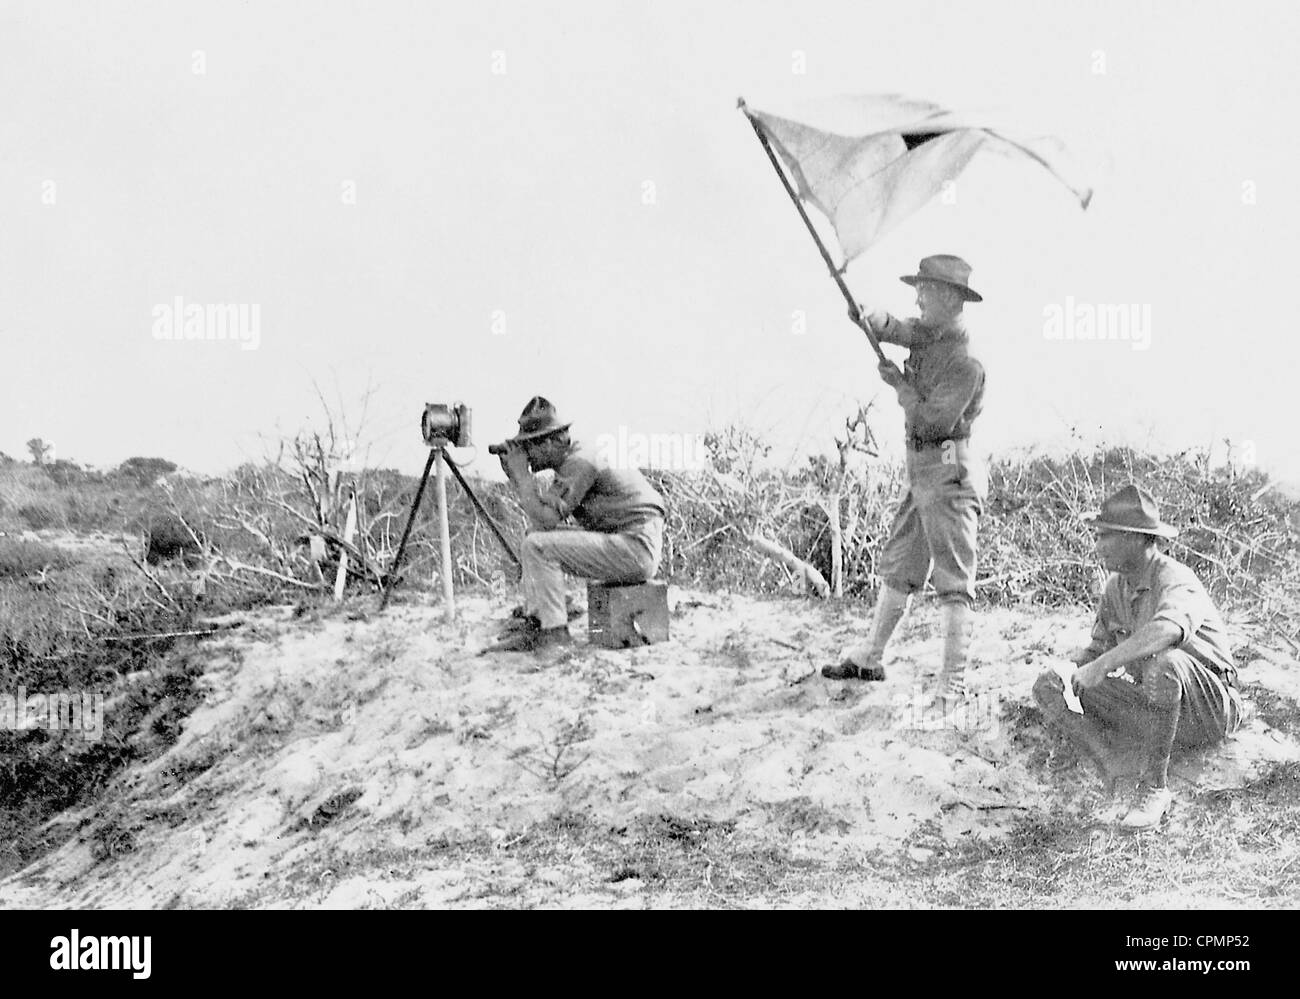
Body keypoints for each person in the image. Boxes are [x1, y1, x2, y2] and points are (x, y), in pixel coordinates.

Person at [822, 255, 988, 714]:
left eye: (928, 291)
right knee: (901, 567)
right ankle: (871, 658)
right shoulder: (930, 333)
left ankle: (952, 687)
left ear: (952, 299)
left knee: (954, 582)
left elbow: (935, 421)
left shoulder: (965, 361)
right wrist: (863, 313)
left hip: (950, 472)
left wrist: (899, 385)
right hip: (923, 473)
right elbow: (893, 326)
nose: (919, 297)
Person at [1032, 484, 1244, 830]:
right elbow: (1098, 647)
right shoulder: (1116, 587)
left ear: (1134, 538)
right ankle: (1115, 766)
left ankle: (1155, 788)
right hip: (1159, 710)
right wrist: (1069, 667)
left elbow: (1167, 631)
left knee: (1165, 664)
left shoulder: (1175, 579)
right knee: (1048, 686)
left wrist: (1102, 665)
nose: (1097, 546)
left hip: (1209, 710)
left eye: (1104, 536)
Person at [491, 396, 666, 652]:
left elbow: (547, 518)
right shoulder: (573, 457)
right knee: (535, 535)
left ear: (550, 442)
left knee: (538, 545)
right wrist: (520, 480)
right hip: (627, 541)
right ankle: (541, 619)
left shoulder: (580, 462)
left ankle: (555, 635)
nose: (527, 455)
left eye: (529, 447)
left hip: (637, 549)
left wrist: (522, 477)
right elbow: (542, 520)